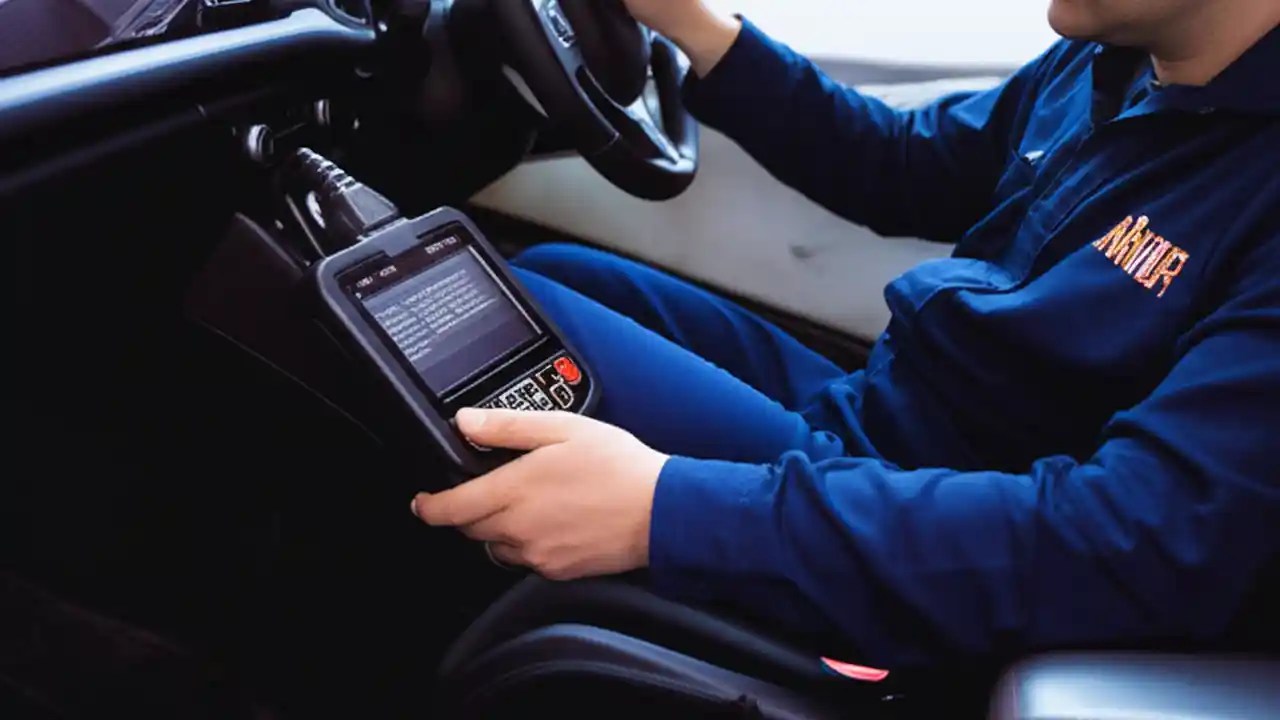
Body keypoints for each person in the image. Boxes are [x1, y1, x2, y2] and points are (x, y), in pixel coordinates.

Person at [410, 0, 1280, 666]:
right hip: (881, 413)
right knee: (557, 277)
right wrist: (694, 25)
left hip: (929, 500)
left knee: (476, 317)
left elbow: (1138, 541)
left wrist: (667, 513)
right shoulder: (1114, 56)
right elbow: (907, 165)